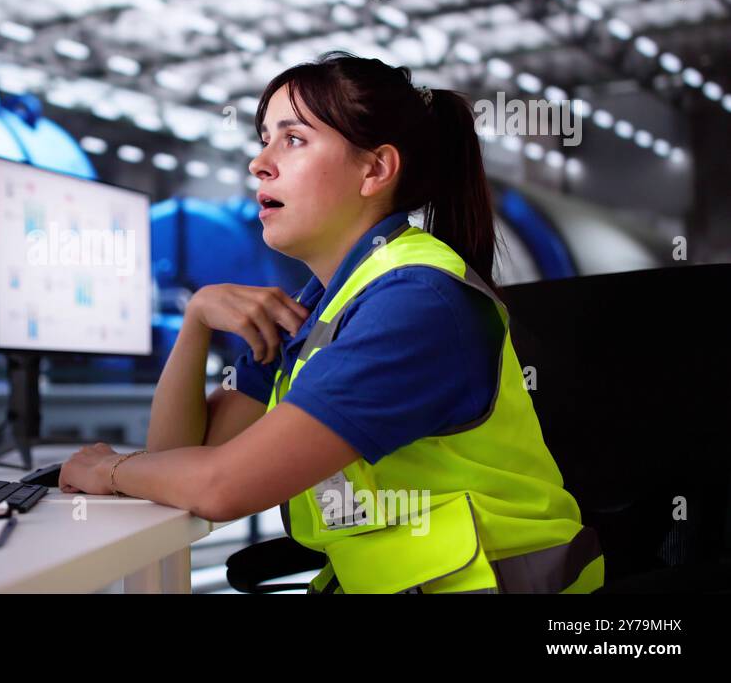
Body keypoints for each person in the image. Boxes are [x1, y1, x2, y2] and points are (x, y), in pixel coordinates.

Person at [59, 51, 604, 593]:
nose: (259, 162)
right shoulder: (321, 303)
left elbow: (223, 486)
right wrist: (199, 316)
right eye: (264, 138)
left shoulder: (415, 300)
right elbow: (180, 459)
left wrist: (108, 470)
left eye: (292, 139)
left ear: (375, 169)